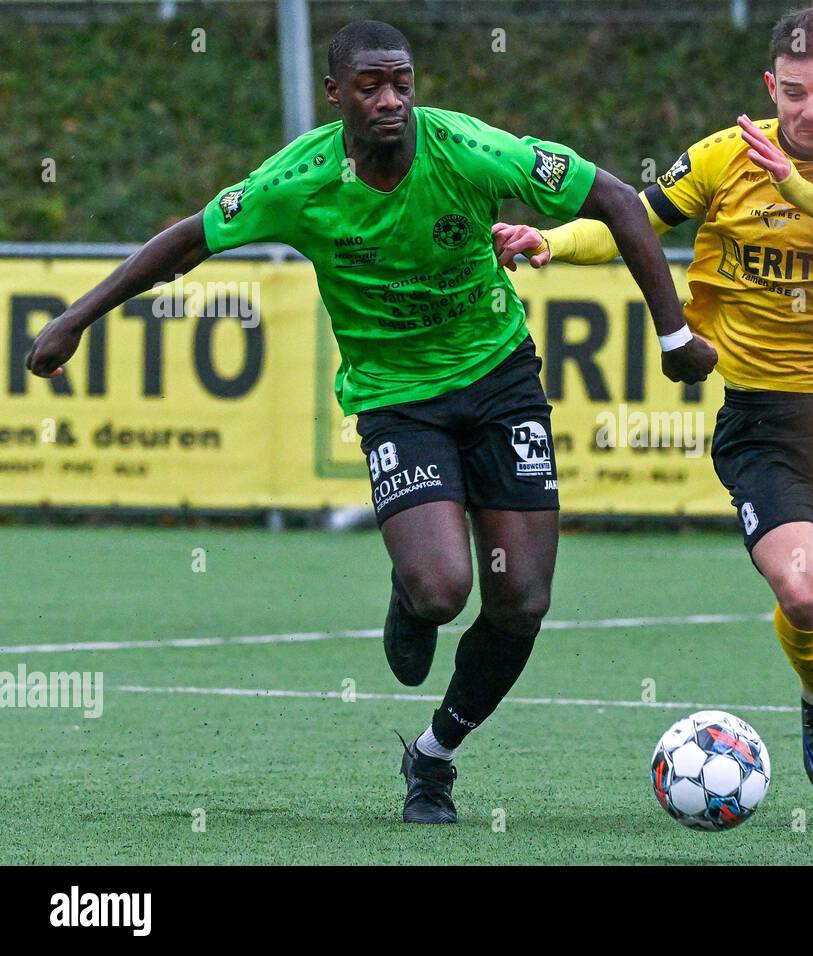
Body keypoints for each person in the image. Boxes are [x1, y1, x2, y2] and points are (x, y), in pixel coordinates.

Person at [24, 19, 717, 825]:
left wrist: (674, 337)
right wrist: (76, 318)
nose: (390, 101)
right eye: (369, 87)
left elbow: (616, 198)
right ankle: (410, 595)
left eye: (401, 84)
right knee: (440, 589)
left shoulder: (465, 149)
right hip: (395, 399)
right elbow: (186, 243)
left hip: (500, 383)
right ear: (335, 95)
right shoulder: (299, 180)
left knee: (521, 601)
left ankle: (434, 757)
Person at [492, 6, 813, 819]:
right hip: (765, 427)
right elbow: (630, 220)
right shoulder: (722, 157)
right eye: (795, 93)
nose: (810, 111)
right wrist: (550, 242)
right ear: (771, 87)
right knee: (807, 595)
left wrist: (795, 185)